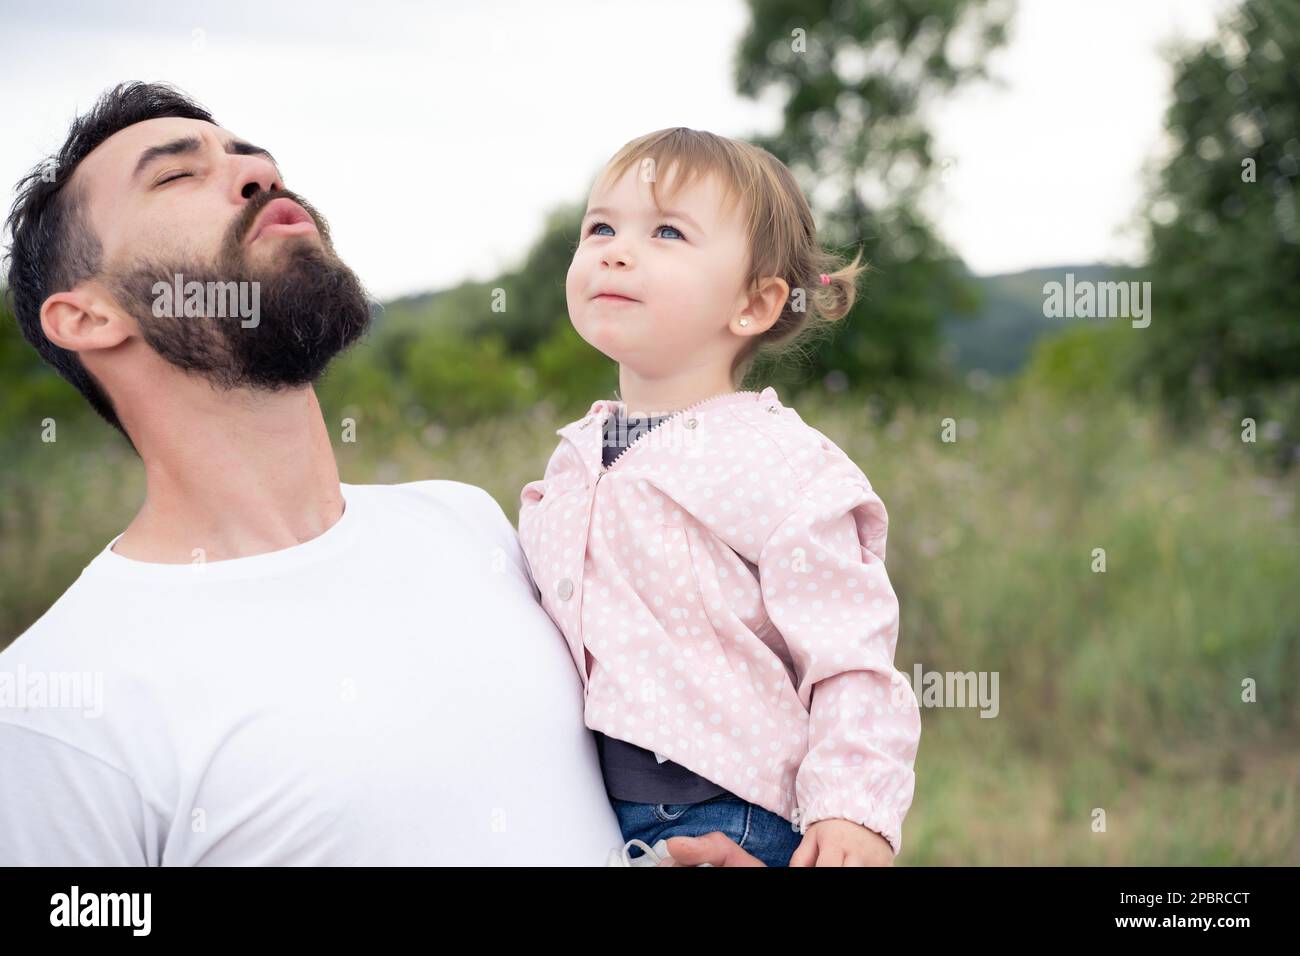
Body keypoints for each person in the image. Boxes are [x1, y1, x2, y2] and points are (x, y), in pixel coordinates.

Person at [0, 83, 759, 866]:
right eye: (177, 176)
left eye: (251, 155)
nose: (258, 171)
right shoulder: (50, 708)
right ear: (87, 316)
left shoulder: (468, 526)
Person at [518, 128, 922, 866]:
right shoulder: (576, 457)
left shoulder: (780, 463)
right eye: (601, 227)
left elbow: (850, 657)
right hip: (588, 815)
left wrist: (853, 810)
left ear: (755, 303)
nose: (615, 248)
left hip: (731, 817)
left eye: (668, 231)